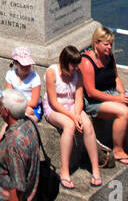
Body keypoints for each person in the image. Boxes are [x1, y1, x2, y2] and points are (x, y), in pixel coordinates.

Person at [80, 25, 128, 166]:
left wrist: (123, 93)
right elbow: (91, 92)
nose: (109, 48)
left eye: (111, 44)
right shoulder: (87, 61)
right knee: (123, 111)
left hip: (110, 93)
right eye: (106, 44)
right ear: (96, 43)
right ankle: (118, 150)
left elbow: (116, 78)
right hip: (93, 101)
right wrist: (118, 99)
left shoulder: (110, 57)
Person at [44, 46, 104, 189]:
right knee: (69, 126)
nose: (76, 69)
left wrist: (77, 114)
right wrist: (72, 117)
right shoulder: (52, 73)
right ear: (65, 63)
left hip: (72, 105)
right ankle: (65, 170)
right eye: (73, 65)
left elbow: (78, 98)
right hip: (55, 108)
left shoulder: (78, 74)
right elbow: (53, 101)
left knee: (87, 125)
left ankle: (95, 168)